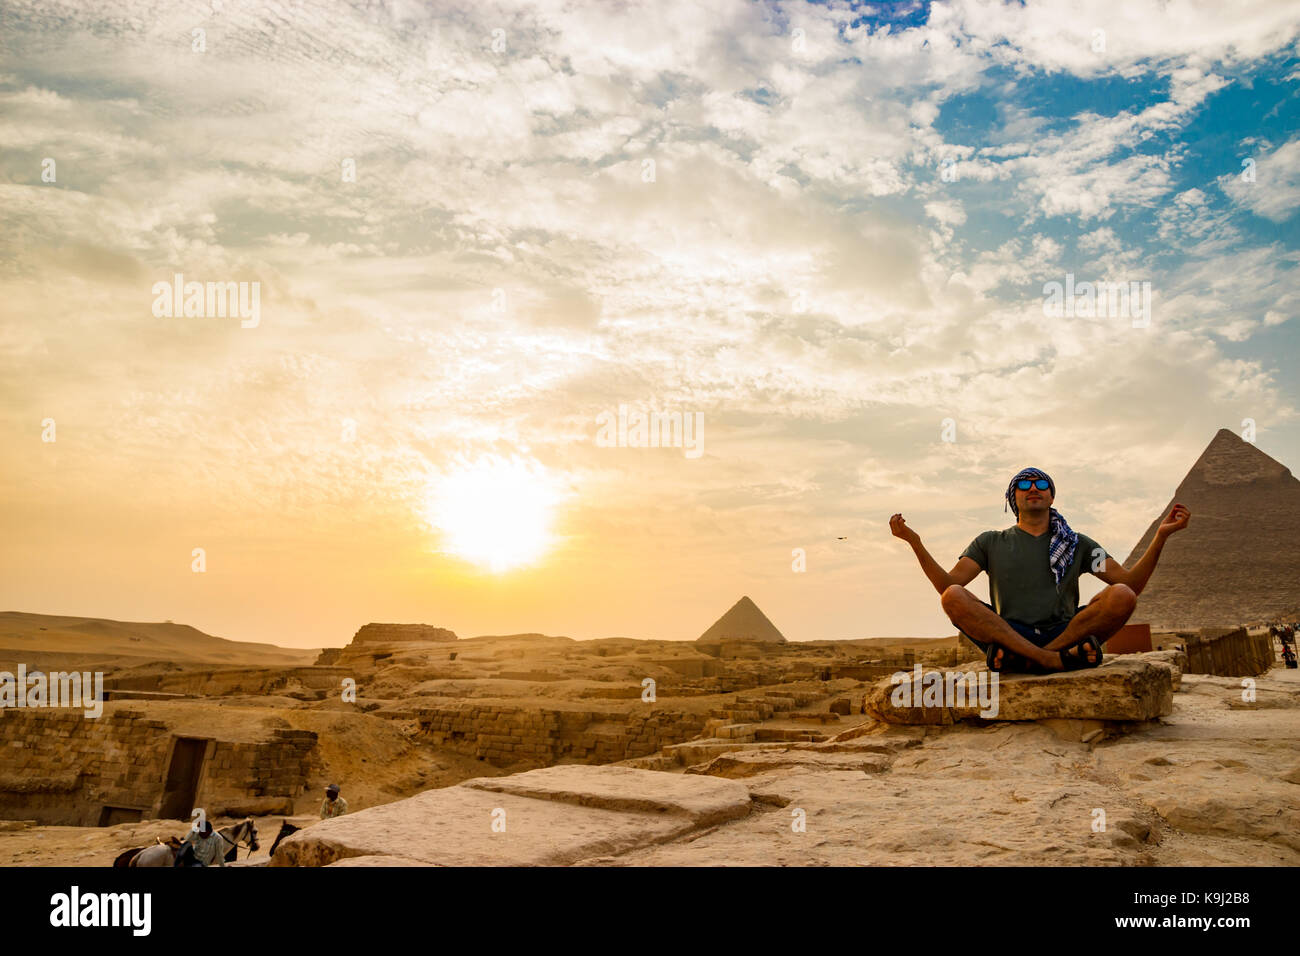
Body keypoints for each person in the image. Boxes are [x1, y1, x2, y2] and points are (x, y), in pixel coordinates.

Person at [890, 466, 1191, 674]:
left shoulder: (1078, 543)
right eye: (1024, 484)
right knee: (953, 596)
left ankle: (1031, 661)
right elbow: (948, 585)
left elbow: (1130, 584)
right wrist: (914, 543)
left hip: (1064, 630)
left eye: (1041, 484)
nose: (1033, 488)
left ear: (1051, 496)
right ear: (1014, 498)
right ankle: (1052, 660)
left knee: (1121, 595)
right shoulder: (990, 541)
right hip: (1009, 633)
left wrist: (1161, 536)